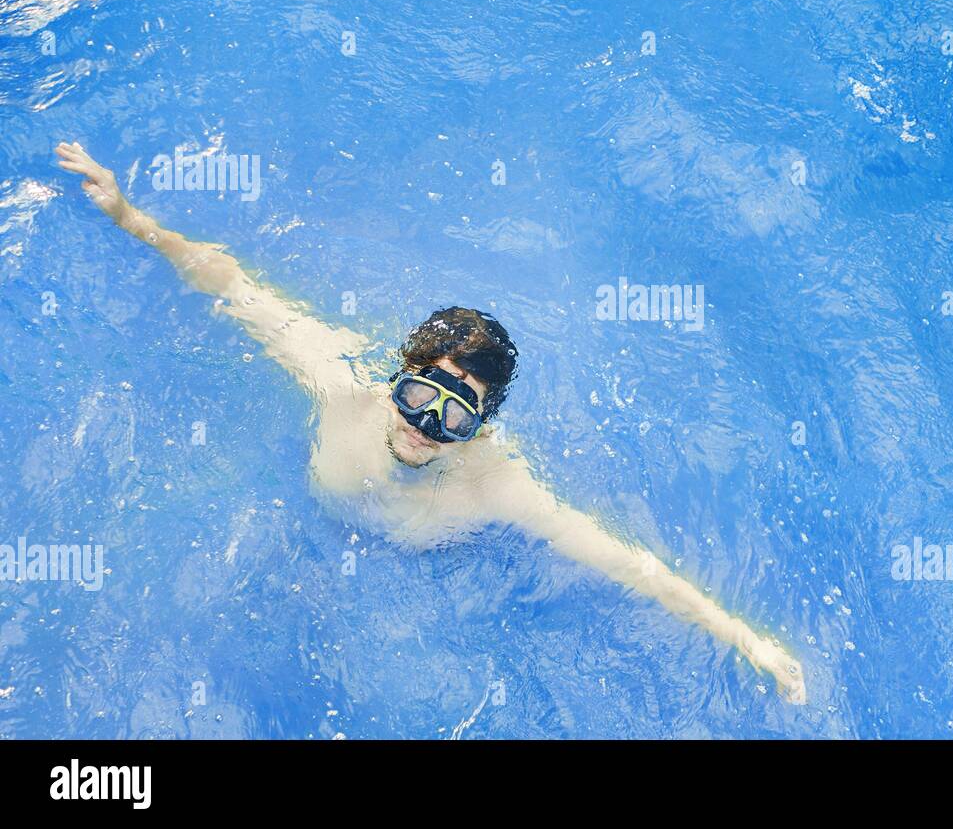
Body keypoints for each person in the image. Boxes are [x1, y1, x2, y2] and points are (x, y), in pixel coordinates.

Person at [54, 141, 806, 704]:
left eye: (454, 415)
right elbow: (231, 284)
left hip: (430, 579)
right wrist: (128, 216)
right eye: (421, 396)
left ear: (479, 429)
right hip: (311, 534)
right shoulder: (343, 385)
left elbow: (625, 563)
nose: (425, 425)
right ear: (395, 380)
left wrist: (744, 641)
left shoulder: (496, 487)